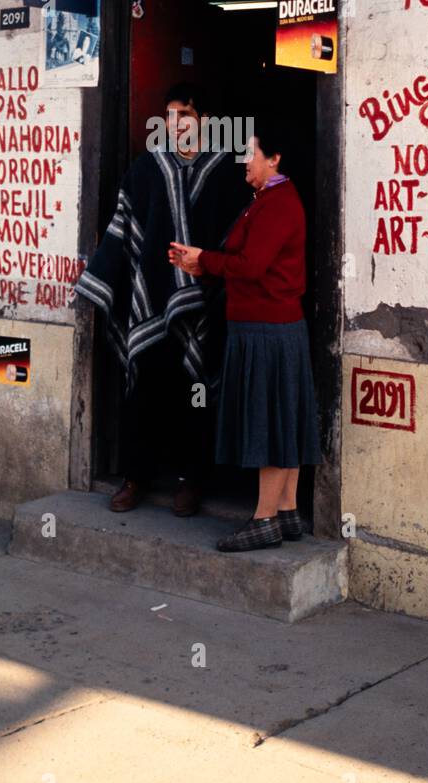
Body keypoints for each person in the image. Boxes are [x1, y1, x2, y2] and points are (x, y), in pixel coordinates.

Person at [75, 82, 248, 515]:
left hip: (204, 304)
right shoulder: (146, 169)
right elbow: (124, 226)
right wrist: (101, 280)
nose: (176, 124)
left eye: (185, 115)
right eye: (169, 116)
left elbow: (238, 235)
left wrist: (214, 276)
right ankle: (136, 477)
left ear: (203, 120)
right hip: (150, 302)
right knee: (144, 391)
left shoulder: (224, 172)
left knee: (197, 393)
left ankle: (192, 480)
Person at [169, 122, 322, 552]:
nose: (243, 162)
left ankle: (264, 518)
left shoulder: (277, 203)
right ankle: (288, 511)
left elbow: (252, 265)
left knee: (270, 423)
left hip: (268, 331)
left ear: (273, 159)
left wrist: (206, 260)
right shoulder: (265, 200)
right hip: (269, 327)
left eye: (250, 155)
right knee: (283, 418)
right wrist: (203, 264)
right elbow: (243, 260)